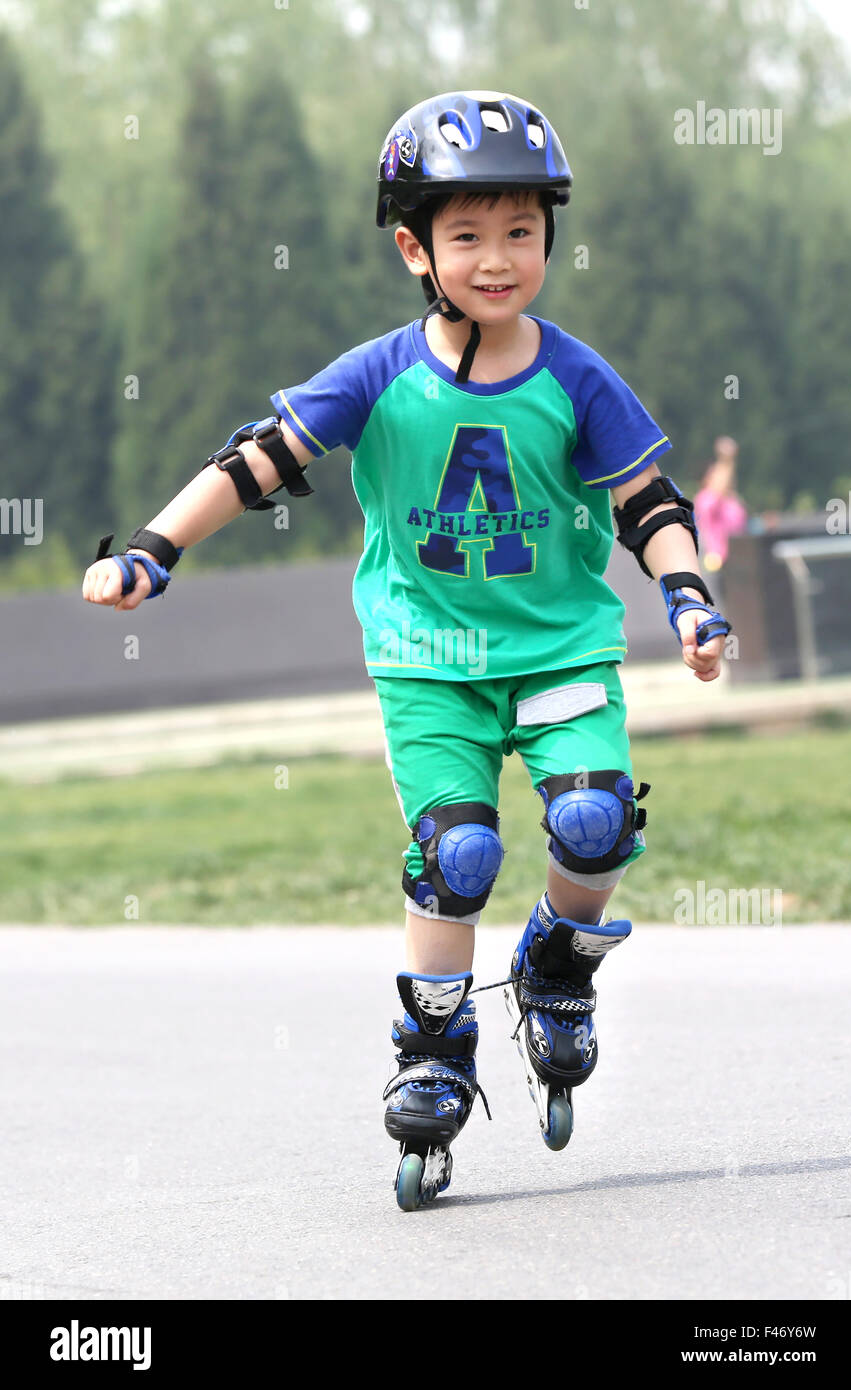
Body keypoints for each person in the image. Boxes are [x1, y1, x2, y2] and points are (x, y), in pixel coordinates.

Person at [82, 90, 732, 1212]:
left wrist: (684, 594)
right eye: (467, 235)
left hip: (559, 647)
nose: (496, 260)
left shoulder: (577, 373)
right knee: (456, 856)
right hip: (426, 660)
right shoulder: (377, 370)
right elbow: (257, 460)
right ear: (413, 247)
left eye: (519, 233)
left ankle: (556, 963)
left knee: (592, 820)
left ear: (547, 239)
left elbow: (647, 498)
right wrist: (152, 549)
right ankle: (434, 1046)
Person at [693, 437, 748, 584]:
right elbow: (718, 491)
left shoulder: (731, 501)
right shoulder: (705, 498)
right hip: (716, 562)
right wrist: (726, 460)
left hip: (736, 561)